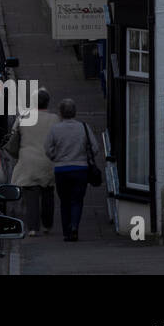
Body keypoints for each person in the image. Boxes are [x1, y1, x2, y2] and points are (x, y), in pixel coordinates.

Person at [44, 98, 100, 242]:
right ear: (74, 112)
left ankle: (66, 232)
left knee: (64, 201)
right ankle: (75, 226)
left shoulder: (55, 129)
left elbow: (48, 149)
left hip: (61, 170)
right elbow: (95, 148)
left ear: (61, 113)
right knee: (77, 200)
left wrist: (56, 157)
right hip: (80, 169)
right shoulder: (84, 127)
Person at [4, 88, 58, 236]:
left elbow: (14, 136)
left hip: (28, 161)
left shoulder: (24, 117)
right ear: (47, 102)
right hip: (48, 161)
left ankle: (33, 228)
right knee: (48, 193)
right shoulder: (54, 119)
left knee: (31, 195)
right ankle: (47, 224)